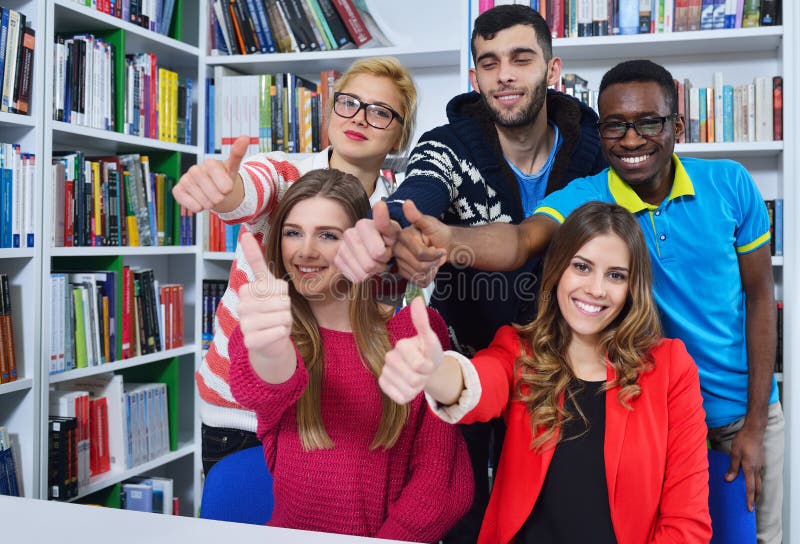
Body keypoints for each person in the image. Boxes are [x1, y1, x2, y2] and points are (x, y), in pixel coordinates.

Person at [391, 59, 783, 544]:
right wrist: (450, 241)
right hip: (640, 391)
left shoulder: (730, 184)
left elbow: (762, 297)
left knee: (755, 532)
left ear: (677, 126)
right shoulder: (584, 199)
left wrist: (755, 425)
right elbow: (517, 243)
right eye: (615, 125)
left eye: (649, 123)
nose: (632, 139)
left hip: (732, 406)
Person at [334, 6, 606, 538]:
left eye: (521, 58)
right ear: (475, 75)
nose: (504, 74)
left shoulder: (594, 154)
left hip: (565, 373)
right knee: (459, 515)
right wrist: (393, 235)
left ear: (552, 71)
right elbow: (418, 196)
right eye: (489, 62)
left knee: (555, 521)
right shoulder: (448, 144)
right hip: (460, 364)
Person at [379, 202, 712, 543]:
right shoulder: (518, 348)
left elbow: (686, 522)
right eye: (582, 267)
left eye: (615, 275)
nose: (596, 289)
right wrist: (435, 372)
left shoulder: (670, 367)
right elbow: (479, 384)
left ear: (632, 287)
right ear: (557, 271)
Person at [172, 57, 418, 474]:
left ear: (399, 137)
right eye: (348, 103)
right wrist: (223, 189)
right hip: (239, 415)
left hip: (326, 417)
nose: (359, 118)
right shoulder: (286, 174)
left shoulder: (396, 212)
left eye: (379, 112)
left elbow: (385, 310)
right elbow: (246, 191)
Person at [227, 169, 472, 541]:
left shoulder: (413, 332)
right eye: (293, 232)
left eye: (328, 235)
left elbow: (443, 485)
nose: (306, 250)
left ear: (360, 246)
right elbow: (261, 388)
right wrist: (271, 348)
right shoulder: (269, 330)